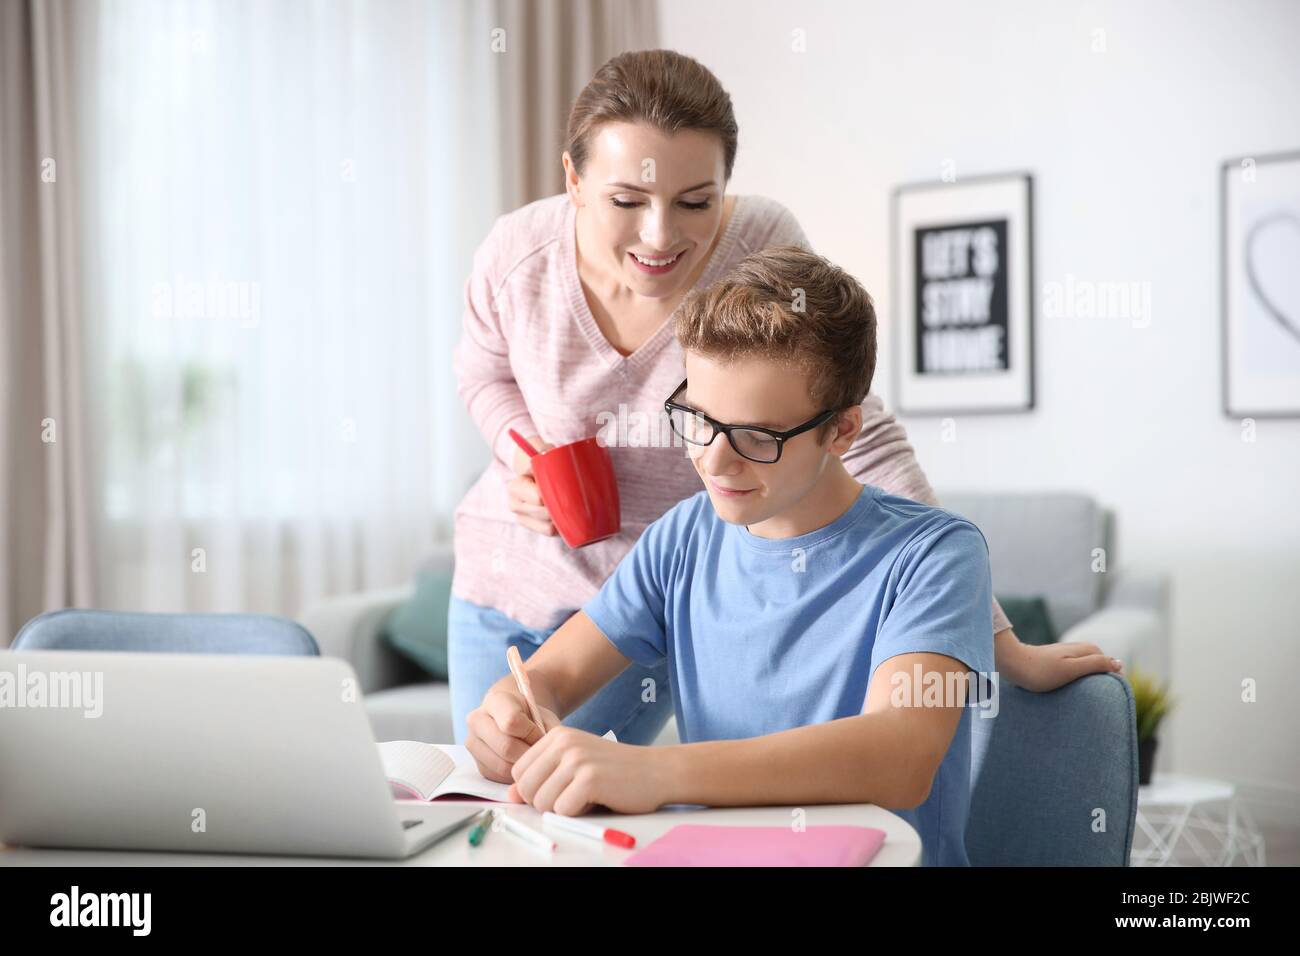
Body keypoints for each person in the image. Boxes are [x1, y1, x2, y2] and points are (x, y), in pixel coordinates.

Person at [449, 48, 1119, 747]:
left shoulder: (759, 244)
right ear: (574, 180)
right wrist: (522, 452)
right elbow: (482, 373)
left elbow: (851, 423)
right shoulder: (516, 254)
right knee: (495, 796)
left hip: (642, 596)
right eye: (626, 201)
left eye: (695, 201)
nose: (660, 235)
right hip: (500, 581)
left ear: (726, 187)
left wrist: (998, 644)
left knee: (582, 811)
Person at [466, 246, 1000, 866]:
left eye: (756, 436)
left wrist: (654, 773)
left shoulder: (934, 554)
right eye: (698, 419)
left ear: (843, 430)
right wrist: (509, 707)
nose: (713, 461)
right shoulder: (683, 536)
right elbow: (550, 676)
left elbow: (900, 756)